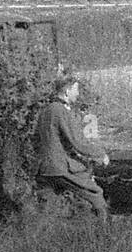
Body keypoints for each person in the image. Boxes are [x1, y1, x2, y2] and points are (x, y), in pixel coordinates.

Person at [34, 73, 110, 220]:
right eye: (76, 89)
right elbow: (78, 142)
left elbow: (38, 140)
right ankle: (104, 235)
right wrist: (100, 154)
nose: (78, 93)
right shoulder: (60, 111)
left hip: (43, 168)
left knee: (49, 206)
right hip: (59, 167)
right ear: (67, 91)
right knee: (95, 193)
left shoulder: (45, 110)